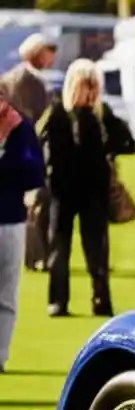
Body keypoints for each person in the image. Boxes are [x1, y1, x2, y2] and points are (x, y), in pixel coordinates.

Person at [39, 59, 135, 318]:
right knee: (59, 249)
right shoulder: (58, 113)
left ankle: (101, 300)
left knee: (97, 250)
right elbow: (45, 149)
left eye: (94, 87)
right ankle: (58, 301)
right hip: (62, 192)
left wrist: (108, 139)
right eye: (86, 86)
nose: (91, 93)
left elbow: (128, 142)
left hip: (94, 192)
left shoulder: (101, 114)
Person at [1, 33, 57, 272]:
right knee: (36, 204)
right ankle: (35, 255)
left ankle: (34, 254)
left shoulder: (16, 78)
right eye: (47, 54)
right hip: (29, 150)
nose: (50, 60)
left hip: (24, 150)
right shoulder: (26, 80)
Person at [0, 83, 46, 370]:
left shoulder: (20, 128)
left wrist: (8, 161)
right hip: (10, 216)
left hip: (11, 218)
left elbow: (35, 173)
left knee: (6, 293)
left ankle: (0, 354)